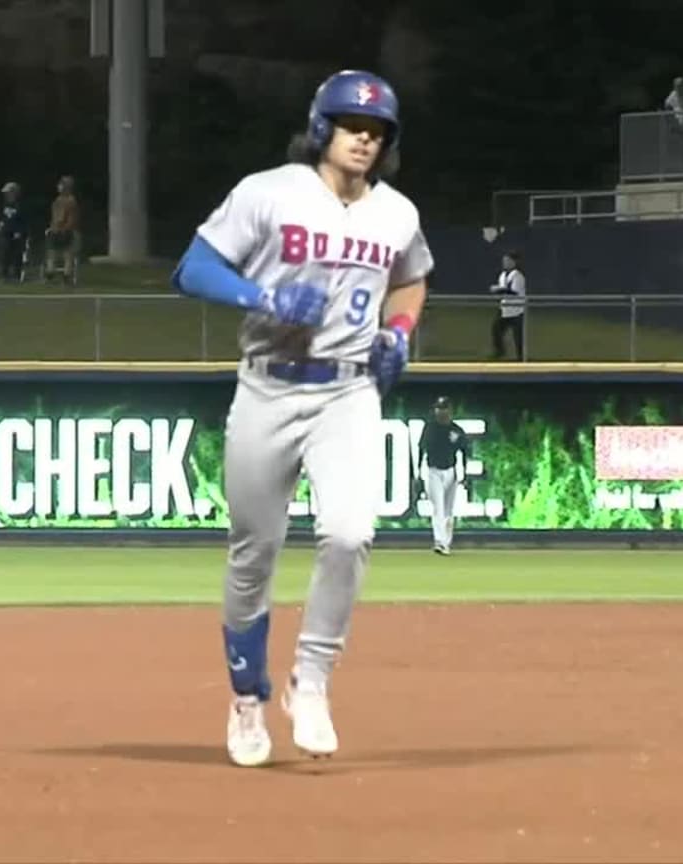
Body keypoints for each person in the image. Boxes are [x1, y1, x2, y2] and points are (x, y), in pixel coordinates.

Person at [171, 69, 433, 767]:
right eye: (352, 127)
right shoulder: (269, 193)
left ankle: (310, 681)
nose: (364, 141)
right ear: (321, 128)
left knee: (350, 534)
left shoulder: (396, 214)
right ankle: (246, 699)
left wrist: (399, 332)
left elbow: (411, 279)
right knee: (253, 554)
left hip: (348, 391)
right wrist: (262, 297)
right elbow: (193, 268)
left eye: (376, 132)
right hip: (268, 387)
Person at [416, 396, 471, 555]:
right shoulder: (430, 428)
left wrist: (464, 474)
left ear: (450, 411)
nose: (440, 412)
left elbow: (464, 452)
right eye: (438, 408)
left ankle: (446, 542)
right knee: (438, 508)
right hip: (433, 472)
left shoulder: (456, 430)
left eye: (444, 408)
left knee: (448, 510)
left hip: (451, 472)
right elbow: (421, 450)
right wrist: (418, 473)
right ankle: (439, 541)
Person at [44, 175, 81, 283]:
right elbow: (54, 217)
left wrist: (65, 228)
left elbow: (71, 218)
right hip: (55, 230)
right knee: (52, 252)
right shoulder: (58, 200)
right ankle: (50, 272)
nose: (59, 186)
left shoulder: (71, 201)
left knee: (67, 253)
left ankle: (66, 274)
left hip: (65, 231)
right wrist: (52, 227)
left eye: (61, 185)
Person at [490, 251, 526, 360]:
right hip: (505, 309)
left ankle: (521, 357)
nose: (505, 263)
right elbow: (503, 291)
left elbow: (514, 292)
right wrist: (498, 291)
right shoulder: (502, 275)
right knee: (496, 329)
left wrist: (499, 289)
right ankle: (499, 352)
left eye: (508, 261)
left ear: (514, 262)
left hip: (516, 311)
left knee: (518, 337)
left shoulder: (517, 275)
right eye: (504, 261)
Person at [0, 181, 28, 282]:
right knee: (4, 253)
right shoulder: (3, 204)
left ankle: (16, 275)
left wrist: (20, 231)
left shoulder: (21, 205)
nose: (7, 195)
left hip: (17, 233)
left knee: (17, 254)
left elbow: (24, 220)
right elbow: (0, 217)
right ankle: (4, 275)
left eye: (9, 193)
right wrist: (0, 225)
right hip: (5, 232)